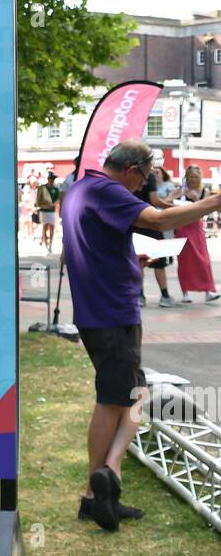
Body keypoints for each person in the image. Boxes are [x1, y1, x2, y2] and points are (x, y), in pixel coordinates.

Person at [61, 140, 221, 531]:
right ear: (133, 169)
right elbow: (158, 220)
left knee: (133, 393)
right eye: (147, 174)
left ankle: (104, 482)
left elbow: (90, 244)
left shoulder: (82, 188)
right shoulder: (108, 191)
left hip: (97, 311)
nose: (147, 181)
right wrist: (214, 203)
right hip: (113, 313)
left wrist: (132, 259)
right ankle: (99, 486)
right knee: (115, 399)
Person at [136, 165, 179, 308]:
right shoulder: (149, 177)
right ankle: (165, 295)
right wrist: (174, 207)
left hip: (135, 222)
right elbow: (155, 201)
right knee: (159, 264)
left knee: (138, 262)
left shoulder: (126, 174)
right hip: (151, 221)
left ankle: (139, 296)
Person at [177, 166, 220, 303]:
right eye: (191, 177)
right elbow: (167, 202)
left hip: (196, 228)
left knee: (203, 260)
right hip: (182, 226)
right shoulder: (181, 191)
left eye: (196, 177)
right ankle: (185, 293)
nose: (193, 179)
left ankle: (209, 291)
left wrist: (196, 200)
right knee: (184, 260)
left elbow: (205, 211)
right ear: (187, 177)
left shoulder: (204, 191)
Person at [36, 171, 59, 251]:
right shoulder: (42, 188)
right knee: (45, 227)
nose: (52, 180)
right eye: (51, 179)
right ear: (48, 179)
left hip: (51, 211)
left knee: (52, 227)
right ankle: (46, 245)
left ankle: (50, 245)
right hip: (43, 210)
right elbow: (38, 200)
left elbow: (57, 200)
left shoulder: (56, 189)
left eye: (53, 179)